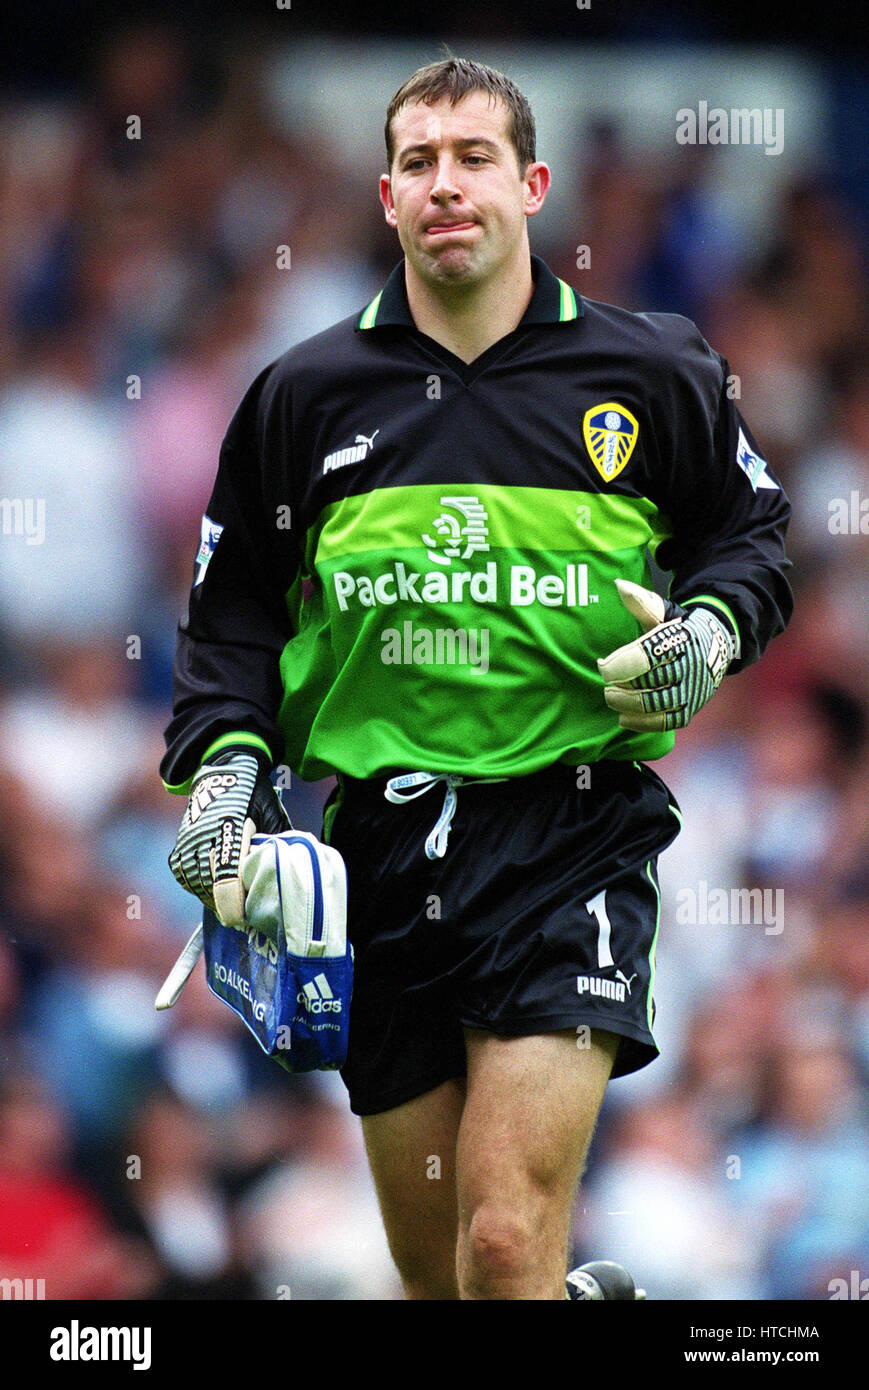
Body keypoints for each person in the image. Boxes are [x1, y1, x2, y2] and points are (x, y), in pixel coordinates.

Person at [161, 58, 792, 1300]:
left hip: (569, 836)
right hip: (372, 864)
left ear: (532, 185)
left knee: (499, 1241)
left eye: (473, 158)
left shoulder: (652, 369)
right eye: (417, 163)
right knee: (441, 1279)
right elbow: (229, 617)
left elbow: (753, 538)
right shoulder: (300, 395)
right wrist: (225, 777)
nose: (443, 185)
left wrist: (703, 638)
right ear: (385, 197)